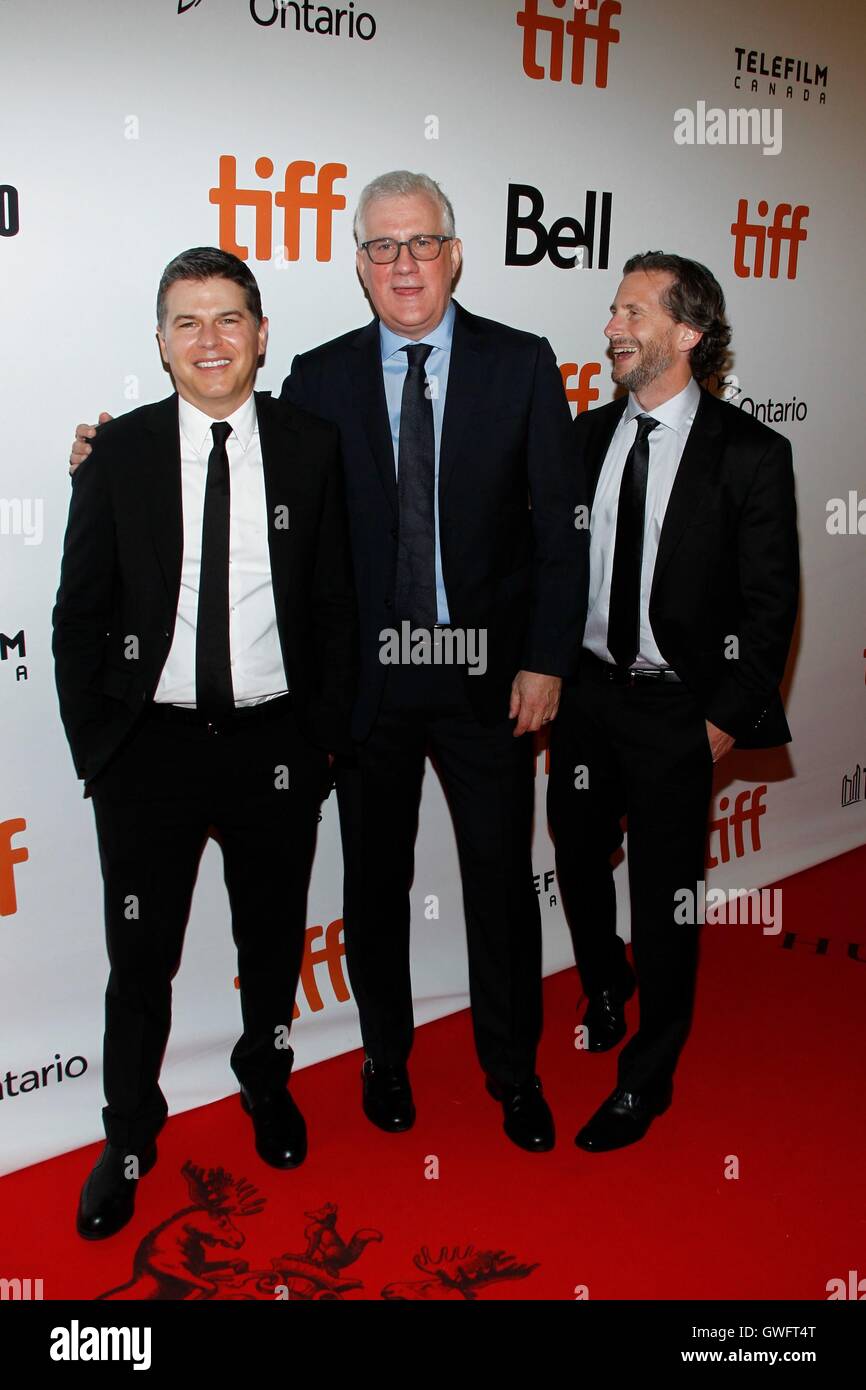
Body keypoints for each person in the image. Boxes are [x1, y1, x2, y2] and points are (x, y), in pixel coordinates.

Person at [68, 172, 587, 1153]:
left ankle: (511, 1070)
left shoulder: (519, 366)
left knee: (497, 883)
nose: (403, 264)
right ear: (357, 262)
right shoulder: (319, 378)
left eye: (421, 243)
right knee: (371, 886)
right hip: (366, 682)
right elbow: (235, 461)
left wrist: (546, 659)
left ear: (455, 252)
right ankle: (382, 1060)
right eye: (382, 248)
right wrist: (108, 451)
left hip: (486, 677)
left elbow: (559, 529)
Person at [54, 247, 357, 1239]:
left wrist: (320, 740)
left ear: (261, 335)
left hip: (274, 742)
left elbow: (335, 608)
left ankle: (265, 1082)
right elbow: (79, 615)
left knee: (270, 943)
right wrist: (103, 742)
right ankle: (128, 1133)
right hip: (151, 750)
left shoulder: (313, 448)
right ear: (161, 341)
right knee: (139, 959)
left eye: (229, 318)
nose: (210, 340)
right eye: (187, 321)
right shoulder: (120, 454)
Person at [547, 252, 799, 1152]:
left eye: (632, 312)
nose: (612, 325)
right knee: (576, 855)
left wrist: (722, 721)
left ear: (687, 334)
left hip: (674, 712)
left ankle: (646, 1080)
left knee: (666, 900)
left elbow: (771, 609)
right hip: (582, 696)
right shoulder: (583, 439)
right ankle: (605, 980)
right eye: (613, 309)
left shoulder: (752, 455)